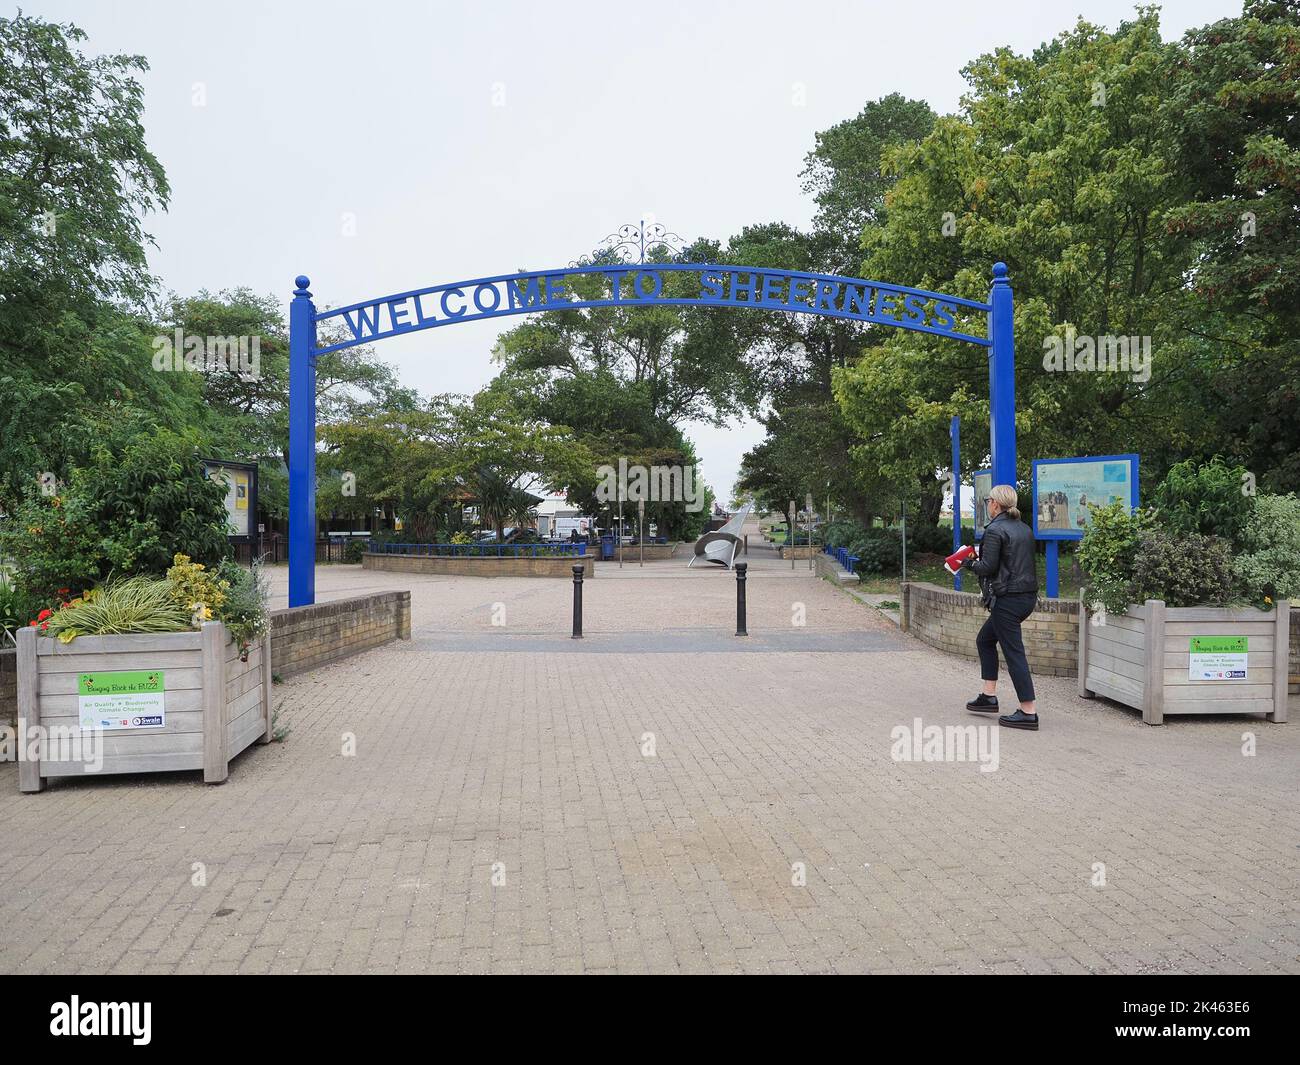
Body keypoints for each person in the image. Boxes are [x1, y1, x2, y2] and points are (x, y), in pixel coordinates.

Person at [961, 484, 1040, 730]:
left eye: (988, 501)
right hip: (1026, 597)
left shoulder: (995, 530)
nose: (987, 504)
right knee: (985, 640)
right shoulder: (1024, 528)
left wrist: (967, 563)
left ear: (995, 504)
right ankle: (988, 696)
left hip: (1007, 600)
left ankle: (1028, 711)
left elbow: (988, 567)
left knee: (1014, 653)